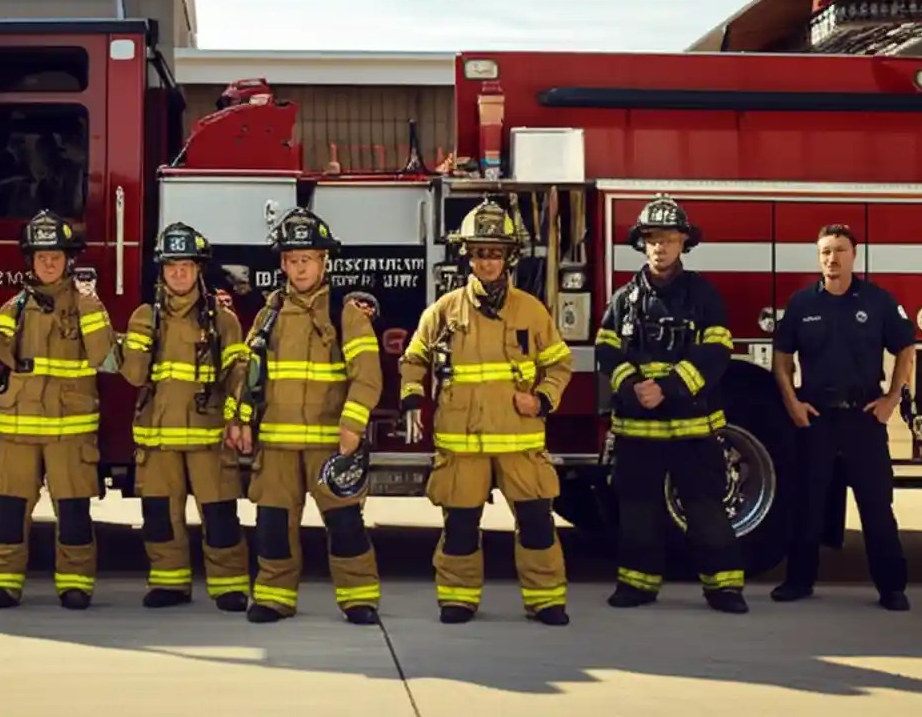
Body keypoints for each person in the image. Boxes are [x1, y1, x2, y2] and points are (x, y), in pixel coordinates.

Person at [398, 198, 574, 626]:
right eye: (479, 252)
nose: (488, 262)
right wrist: (410, 399)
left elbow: (559, 363)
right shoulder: (444, 311)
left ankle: (546, 601)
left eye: (495, 253)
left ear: (509, 257)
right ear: (468, 257)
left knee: (536, 526)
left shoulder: (531, 311)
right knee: (460, 528)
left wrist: (543, 399)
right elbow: (414, 358)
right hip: (463, 445)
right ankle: (457, 599)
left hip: (520, 442)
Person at [594, 193, 748, 614]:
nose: (660, 247)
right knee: (638, 511)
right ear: (642, 244)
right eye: (652, 239)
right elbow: (607, 350)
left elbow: (718, 350)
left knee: (705, 510)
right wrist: (633, 388)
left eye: (668, 239)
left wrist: (669, 388)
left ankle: (724, 589)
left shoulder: (703, 295)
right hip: (638, 431)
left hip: (693, 429)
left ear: (684, 243)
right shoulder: (624, 299)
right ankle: (637, 586)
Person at [228, 206, 383, 626]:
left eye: (308, 259)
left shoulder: (344, 314)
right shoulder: (267, 316)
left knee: (345, 523)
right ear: (283, 263)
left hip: (328, 444)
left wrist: (352, 424)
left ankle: (358, 599)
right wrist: (240, 420)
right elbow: (249, 374)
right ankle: (275, 597)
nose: (300, 268)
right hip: (277, 446)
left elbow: (367, 375)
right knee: (273, 526)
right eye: (293, 260)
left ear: (323, 262)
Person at [770, 223, 913, 611]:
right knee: (808, 504)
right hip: (816, 417)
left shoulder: (877, 301)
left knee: (876, 506)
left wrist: (891, 399)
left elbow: (906, 348)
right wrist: (792, 403)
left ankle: (892, 588)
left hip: (864, 418)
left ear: (854, 255)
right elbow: (781, 360)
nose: (832, 259)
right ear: (819, 257)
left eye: (839, 251)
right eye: (825, 252)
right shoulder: (802, 305)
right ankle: (799, 581)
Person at [0, 209, 116, 611]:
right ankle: (0, 585)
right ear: (31, 262)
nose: (49, 263)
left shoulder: (89, 307)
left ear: (69, 260)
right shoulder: (11, 310)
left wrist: (90, 309)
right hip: (17, 431)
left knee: (73, 511)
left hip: (69, 432)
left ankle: (75, 585)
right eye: (41, 257)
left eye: (56, 256)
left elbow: (104, 357)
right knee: (6, 510)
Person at [119, 221, 252, 612]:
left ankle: (229, 587)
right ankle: (169, 584)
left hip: (208, 438)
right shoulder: (145, 317)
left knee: (221, 515)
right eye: (172, 266)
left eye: (187, 266)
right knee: (160, 516)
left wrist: (235, 418)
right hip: (158, 438)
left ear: (199, 271)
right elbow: (133, 377)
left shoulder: (222, 320)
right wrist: (138, 345)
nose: (179, 273)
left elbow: (238, 374)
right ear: (161, 270)